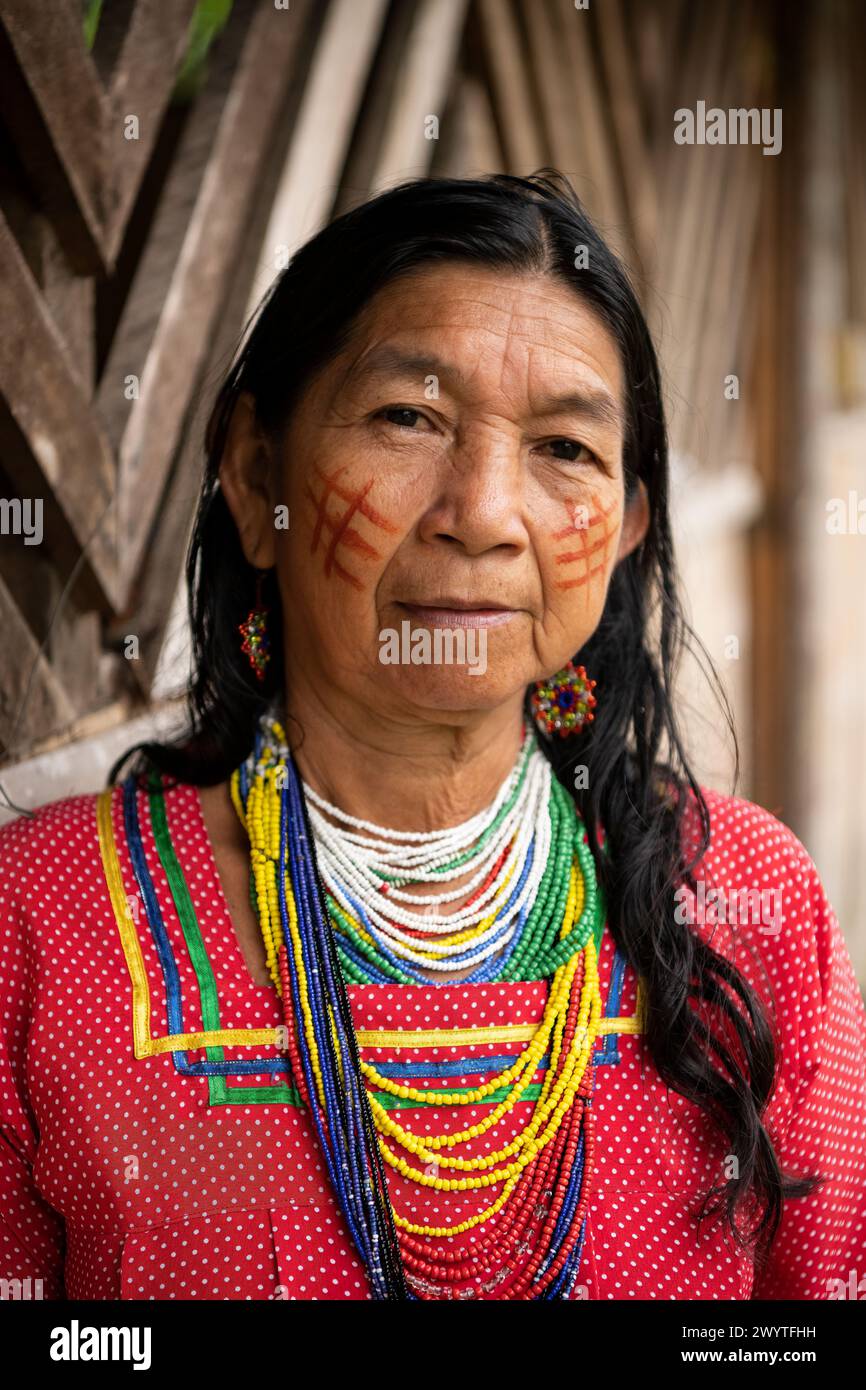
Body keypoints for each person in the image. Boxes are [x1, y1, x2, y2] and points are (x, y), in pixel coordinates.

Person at [1, 171, 864, 1301]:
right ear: (258, 468)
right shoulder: (46, 923)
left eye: (563, 447)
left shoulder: (748, 903)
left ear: (625, 530)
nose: (483, 511)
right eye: (408, 417)